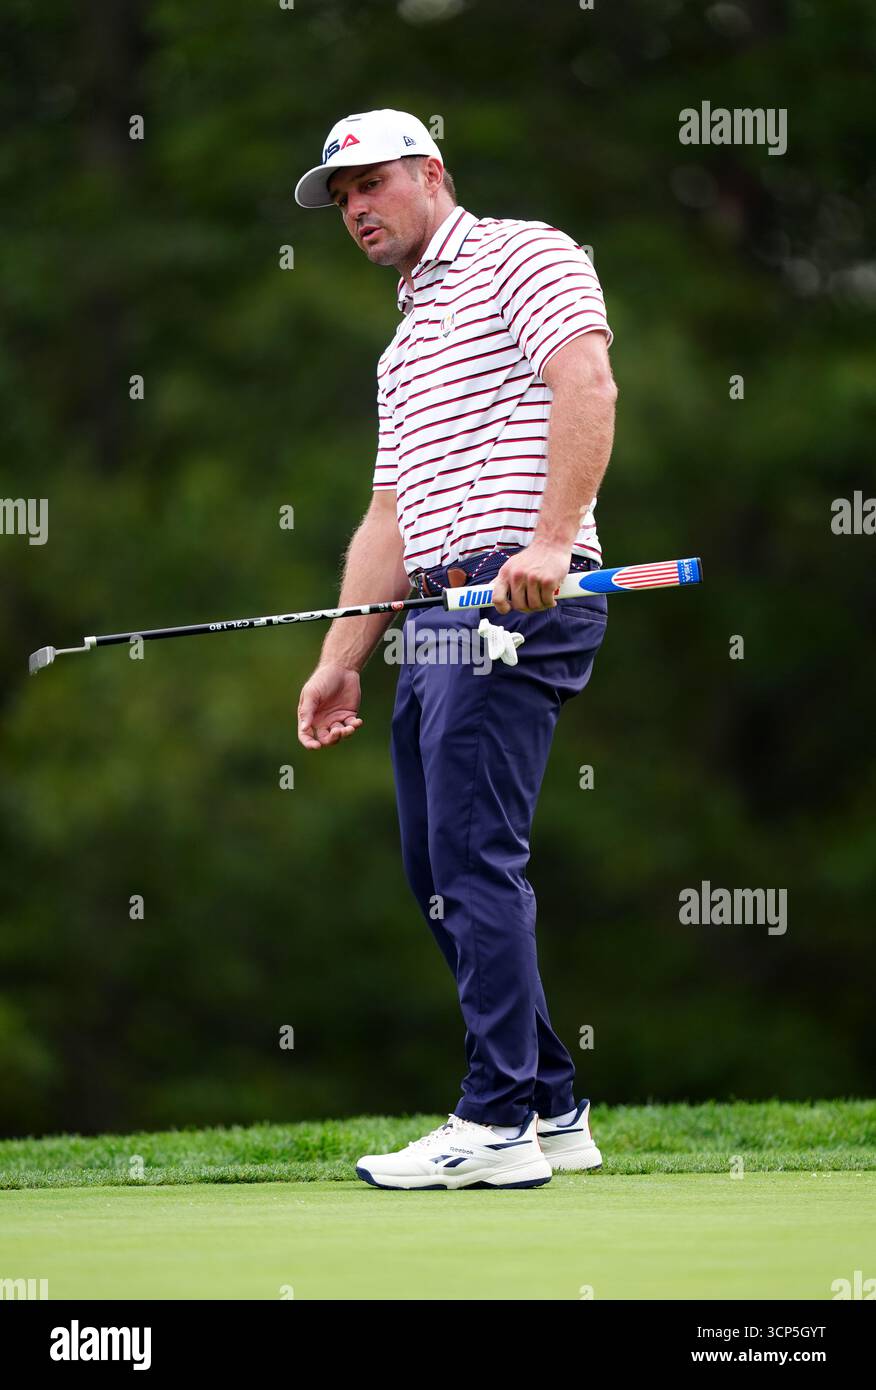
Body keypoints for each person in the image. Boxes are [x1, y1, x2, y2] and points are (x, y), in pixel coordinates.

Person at [294, 109, 617, 1189]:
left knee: (476, 856)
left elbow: (588, 385)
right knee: (437, 865)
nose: (356, 210)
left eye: (372, 184)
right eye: (341, 199)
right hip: (435, 618)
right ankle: (554, 1104)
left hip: (517, 600)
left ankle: (495, 1124)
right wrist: (342, 654)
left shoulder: (527, 252)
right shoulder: (402, 346)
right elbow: (390, 517)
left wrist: (552, 539)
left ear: (431, 173)